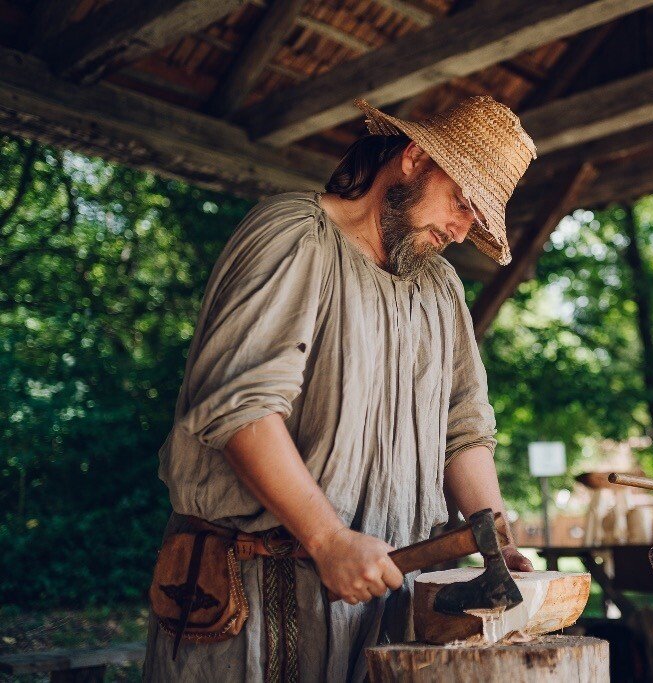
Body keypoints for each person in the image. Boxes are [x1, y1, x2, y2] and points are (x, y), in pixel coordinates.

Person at [144, 96, 537, 681]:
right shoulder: (296, 237)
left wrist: (491, 535)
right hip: (250, 601)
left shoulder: (439, 289)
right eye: (460, 202)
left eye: (477, 220)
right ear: (414, 159)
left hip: (381, 609)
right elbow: (242, 407)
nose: (461, 229)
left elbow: (463, 426)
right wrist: (327, 539)